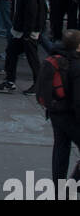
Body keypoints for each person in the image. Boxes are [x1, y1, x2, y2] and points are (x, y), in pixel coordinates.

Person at [42, 29, 80, 186]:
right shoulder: (76, 65)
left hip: (55, 112)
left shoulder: (56, 58)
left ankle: (59, 188)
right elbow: (78, 100)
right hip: (71, 115)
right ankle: (73, 183)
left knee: (61, 149)